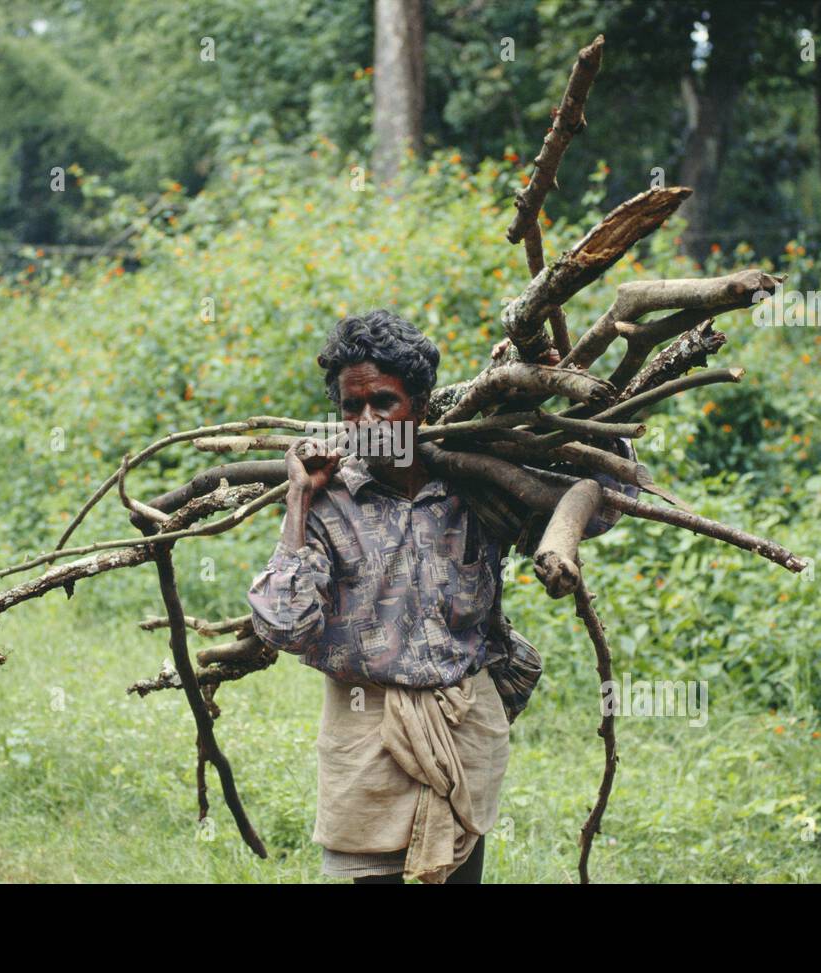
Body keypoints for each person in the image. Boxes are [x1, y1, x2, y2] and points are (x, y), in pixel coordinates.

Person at [246, 308, 626, 884]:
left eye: (384, 402)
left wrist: (580, 398)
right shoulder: (328, 503)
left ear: (420, 407)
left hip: (464, 734)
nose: (366, 419)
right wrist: (298, 499)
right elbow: (285, 627)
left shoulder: (474, 486)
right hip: (366, 745)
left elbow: (609, 500)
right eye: (352, 407)